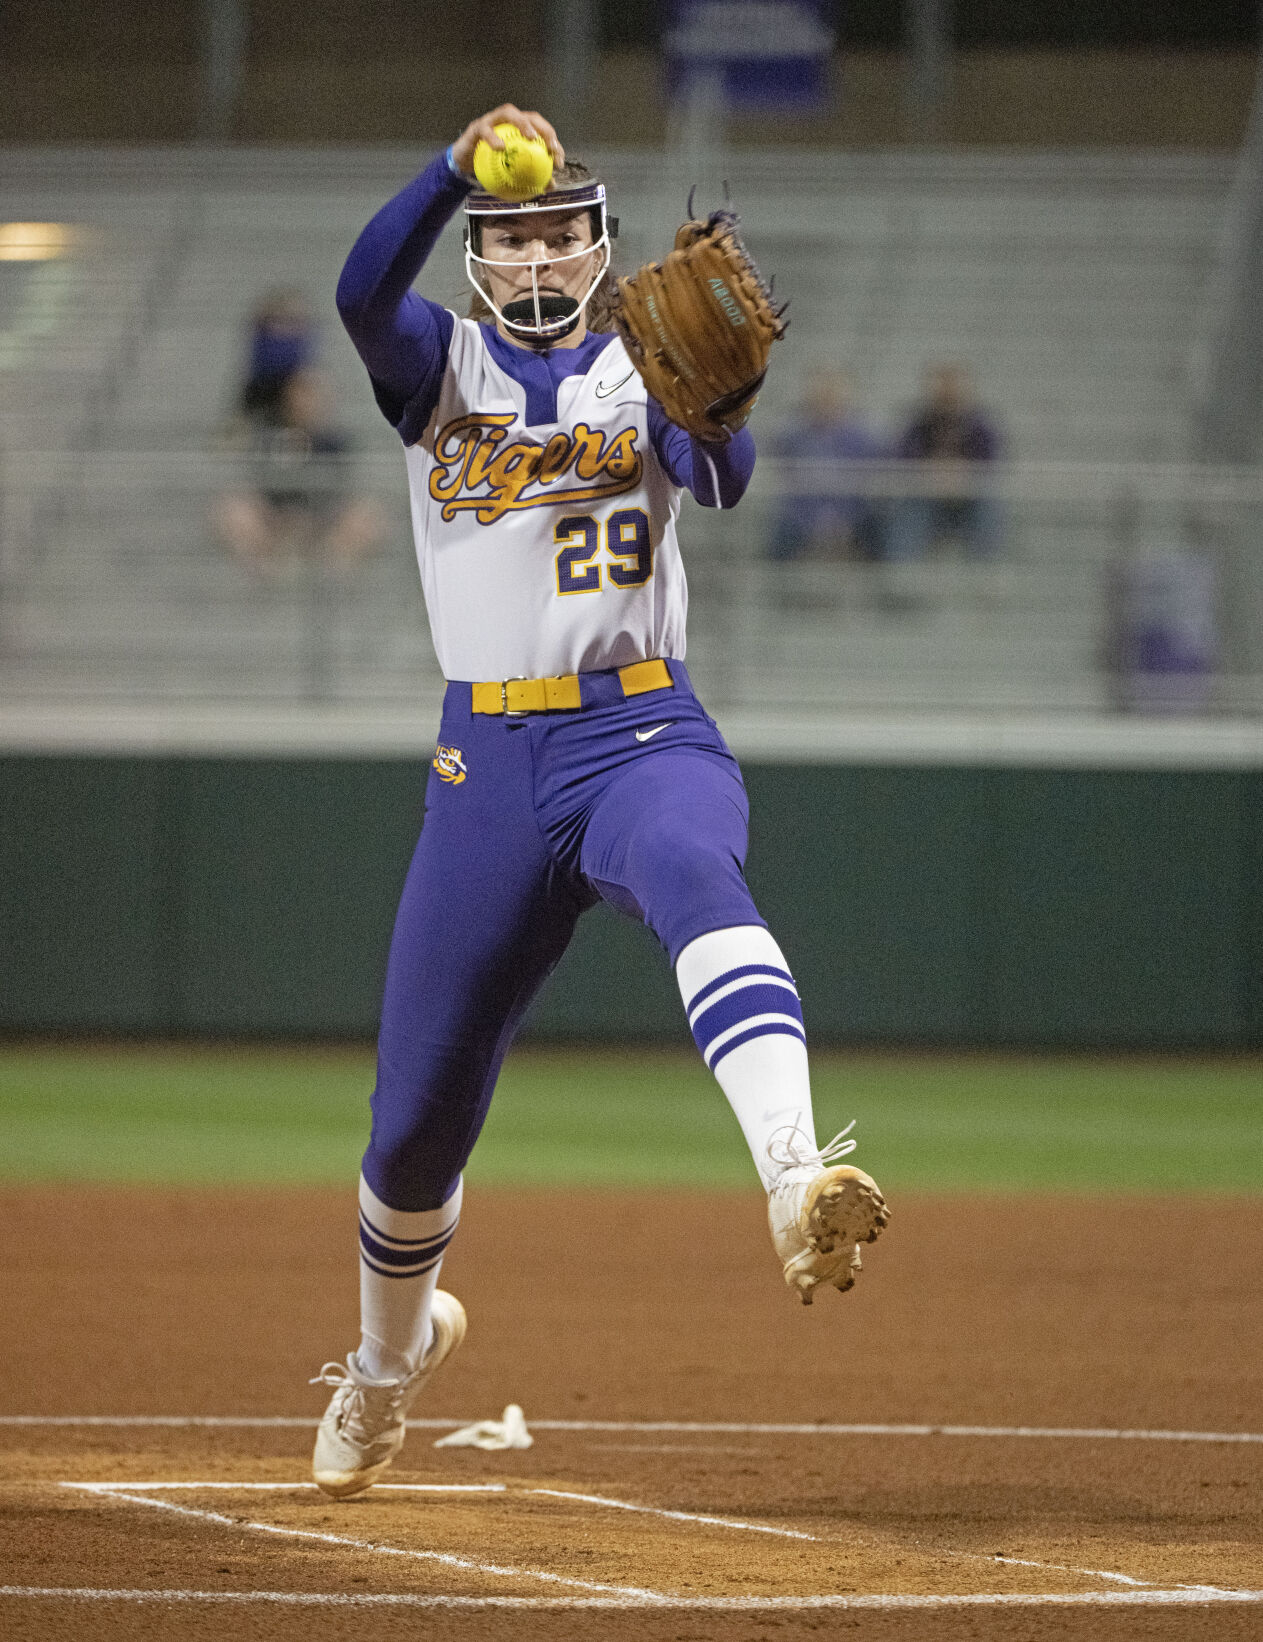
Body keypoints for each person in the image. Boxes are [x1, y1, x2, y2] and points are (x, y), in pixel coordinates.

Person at [309, 103, 890, 1501]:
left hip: (638, 728)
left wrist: (721, 402)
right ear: (477, 250)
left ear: (598, 241)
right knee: (411, 1130)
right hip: (485, 767)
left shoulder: (652, 361)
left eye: (557, 231)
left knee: (696, 867)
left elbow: (724, 477)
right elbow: (356, 291)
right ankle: (385, 1374)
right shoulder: (433, 364)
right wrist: (447, 167)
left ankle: (794, 1175)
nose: (533, 256)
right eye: (507, 235)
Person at [212, 367, 386, 576]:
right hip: (275, 518)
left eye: (314, 395)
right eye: (302, 395)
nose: (309, 403)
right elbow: (258, 481)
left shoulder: (334, 443)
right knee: (233, 511)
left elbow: (341, 488)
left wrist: (316, 517)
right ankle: (265, 579)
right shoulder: (270, 435)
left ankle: (329, 580)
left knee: (367, 516)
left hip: (321, 520)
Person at [887, 362, 1004, 563]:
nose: (948, 390)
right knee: (909, 506)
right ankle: (903, 571)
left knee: (988, 503)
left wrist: (962, 475)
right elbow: (902, 459)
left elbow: (990, 463)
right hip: (925, 494)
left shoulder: (980, 425)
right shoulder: (918, 423)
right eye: (943, 384)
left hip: (969, 495)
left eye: (954, 384)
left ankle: (987, 574)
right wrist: (929, 473)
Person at [766, 368, 886, 562]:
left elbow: (867, 481)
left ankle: (886, 586)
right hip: (802, 513)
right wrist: (815, 519)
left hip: (853, 512)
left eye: (833, 392)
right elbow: (787, 477)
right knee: (779, 539)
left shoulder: (863, 437)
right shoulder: (793, 436)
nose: (827, 398)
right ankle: (772, 583)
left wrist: (842, 518)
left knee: (878, 536)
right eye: (822, 392)